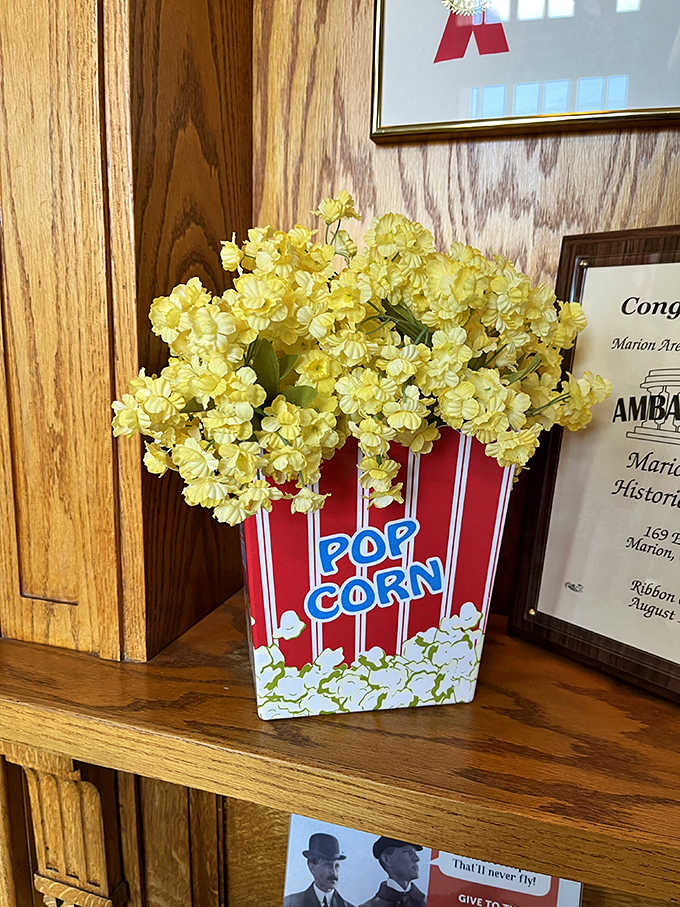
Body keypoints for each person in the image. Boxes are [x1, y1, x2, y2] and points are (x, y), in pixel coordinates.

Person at [284, 832, 355, 907]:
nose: (334, 873)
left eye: (336, 866)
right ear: (311, 866)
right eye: (328, 865)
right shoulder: (289, 904)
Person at [358, 838, 426, 906]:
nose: (417, 858)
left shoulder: (426, 902)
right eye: (409, 852)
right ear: (386, 859)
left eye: (415, 853)